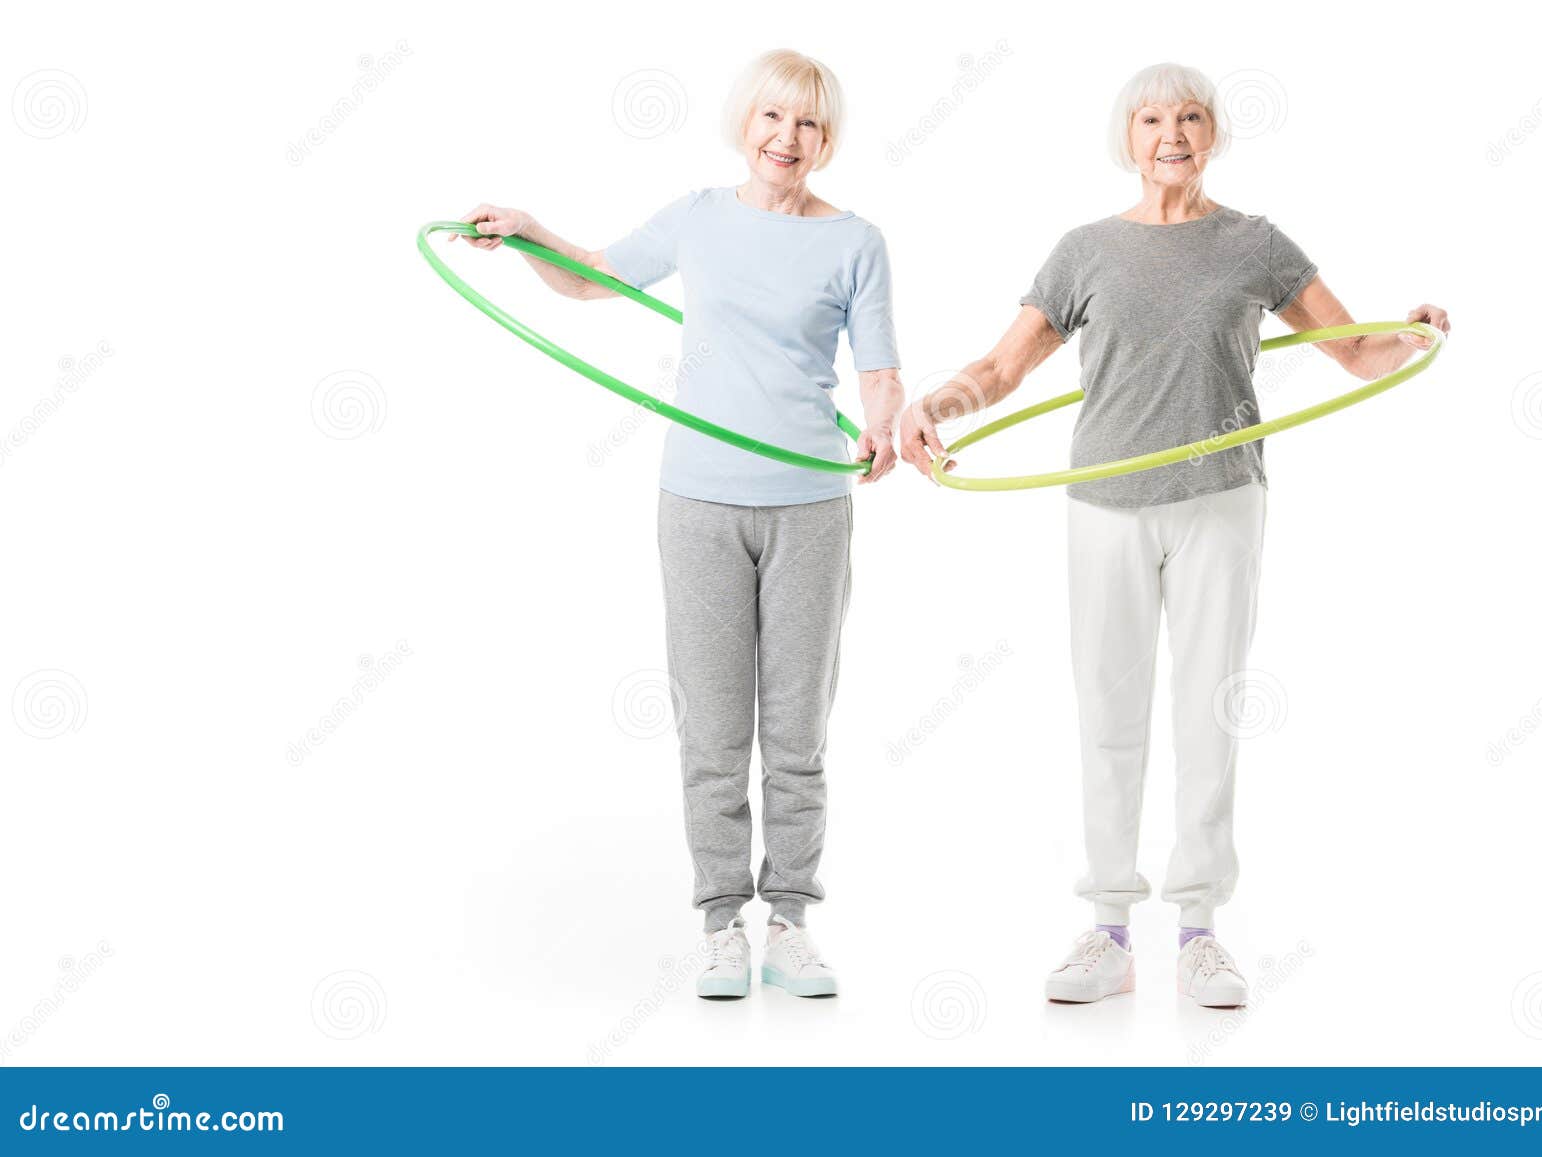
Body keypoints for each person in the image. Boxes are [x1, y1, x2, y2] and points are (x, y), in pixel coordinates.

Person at [899, 61, 1449, 1008]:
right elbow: (1000, 367)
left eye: (1191, 116)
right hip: (1104, 506)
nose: (1172, 133)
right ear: (1127, 137)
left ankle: (1198, 928)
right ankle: (1109, 928)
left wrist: (1415, 334)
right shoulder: (1085, 251)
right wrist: (937, 406)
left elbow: (1355, 351)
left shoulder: (1255, 243)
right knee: (1109, 717)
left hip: (1219, 502)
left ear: (1214, 134)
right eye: (1152, 117)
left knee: (1208, 713)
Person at [457, 48, 903, 1000]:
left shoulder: (856, 240)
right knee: (710, 724)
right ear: (747, 121)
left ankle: (789, 920)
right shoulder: (697, 219)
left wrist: (885, 429)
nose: (788, 139)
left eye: (810, 125)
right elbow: (592, 282)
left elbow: (878, 372)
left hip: (811, 506)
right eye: (774, 118)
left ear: (829, 139)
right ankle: (719, 926)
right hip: (698, 501)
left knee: (795, 730)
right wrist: (533, 232)